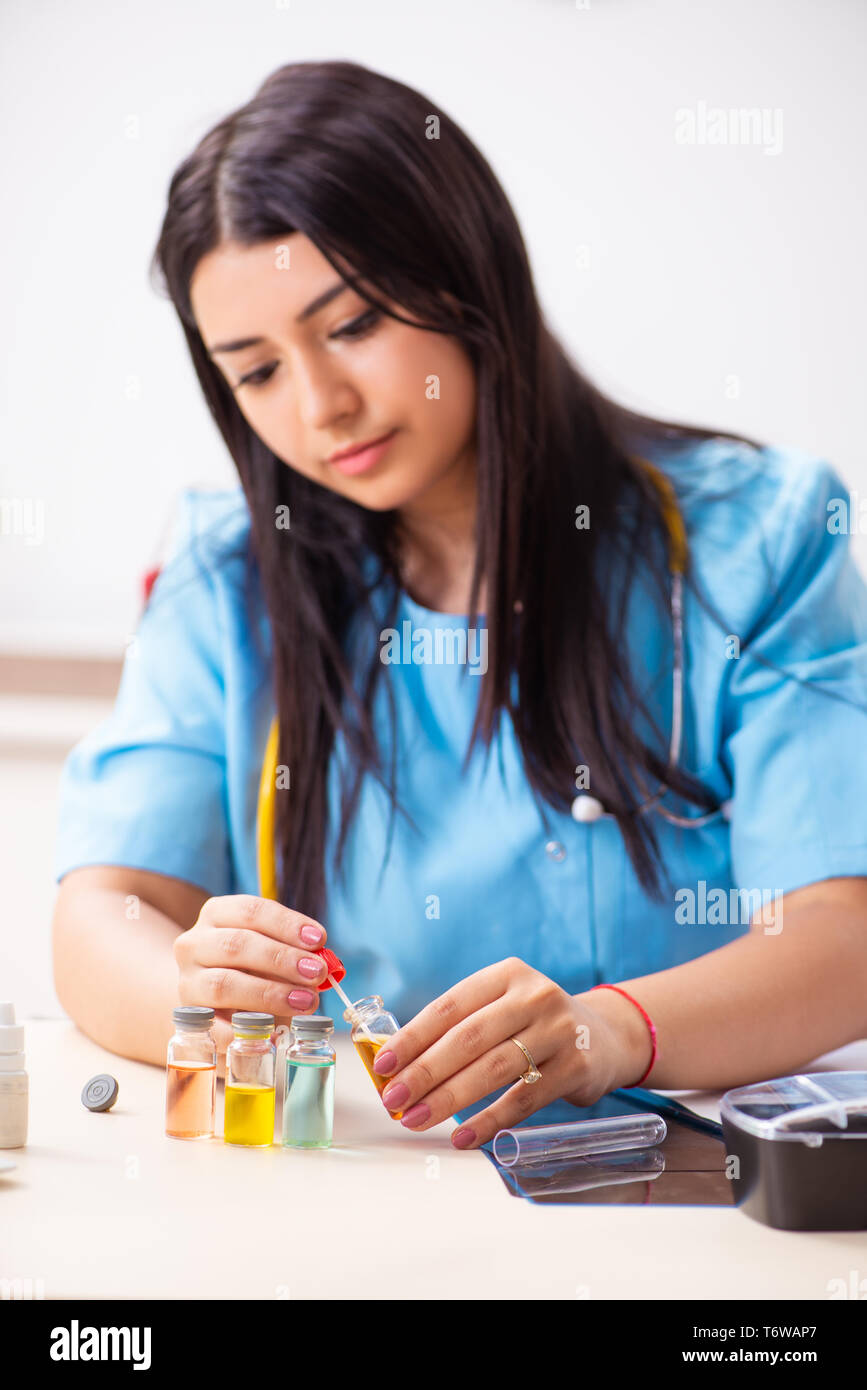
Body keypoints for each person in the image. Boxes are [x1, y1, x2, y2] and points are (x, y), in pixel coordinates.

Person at [52, 60, 867, 1152]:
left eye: (352, 325)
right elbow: (101, 912)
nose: (320, 406)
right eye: (256, 372)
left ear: (470, 272)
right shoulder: (229, 577)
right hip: (382, 1181)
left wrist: (607, 1031)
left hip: (688, 1183)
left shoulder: (754, 539)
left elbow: (841, 932)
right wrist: (194, 990)